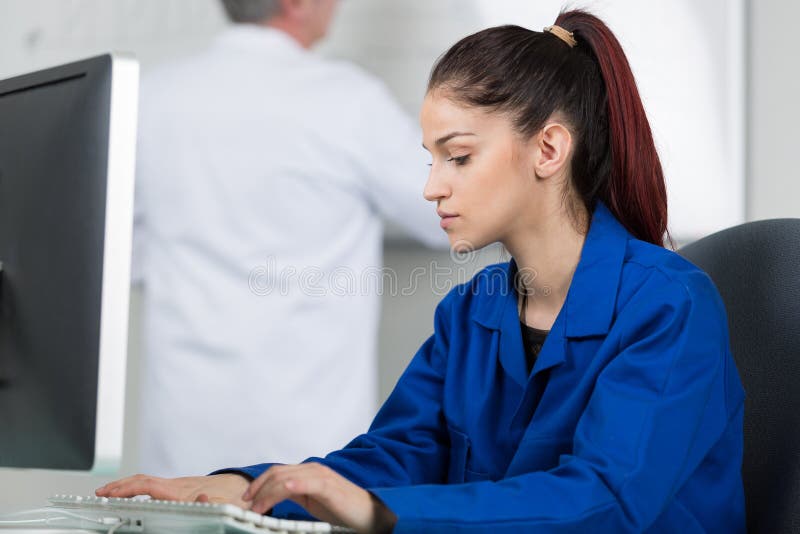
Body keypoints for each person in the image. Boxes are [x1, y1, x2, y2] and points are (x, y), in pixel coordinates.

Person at [103, 9, 745, 532]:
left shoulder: (669, 306)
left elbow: (604, 500)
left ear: (548, 148)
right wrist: (247, 487)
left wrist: (379, 512)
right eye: (429, 159)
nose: (431, 187)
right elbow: (400, 453)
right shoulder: (472, 309)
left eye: (458, 157)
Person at [132, 0, 445, 477]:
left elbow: (125, 254)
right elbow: (443, 212)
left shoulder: (153, 97)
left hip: (180, 440)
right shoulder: (347, 100)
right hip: (306, 449)